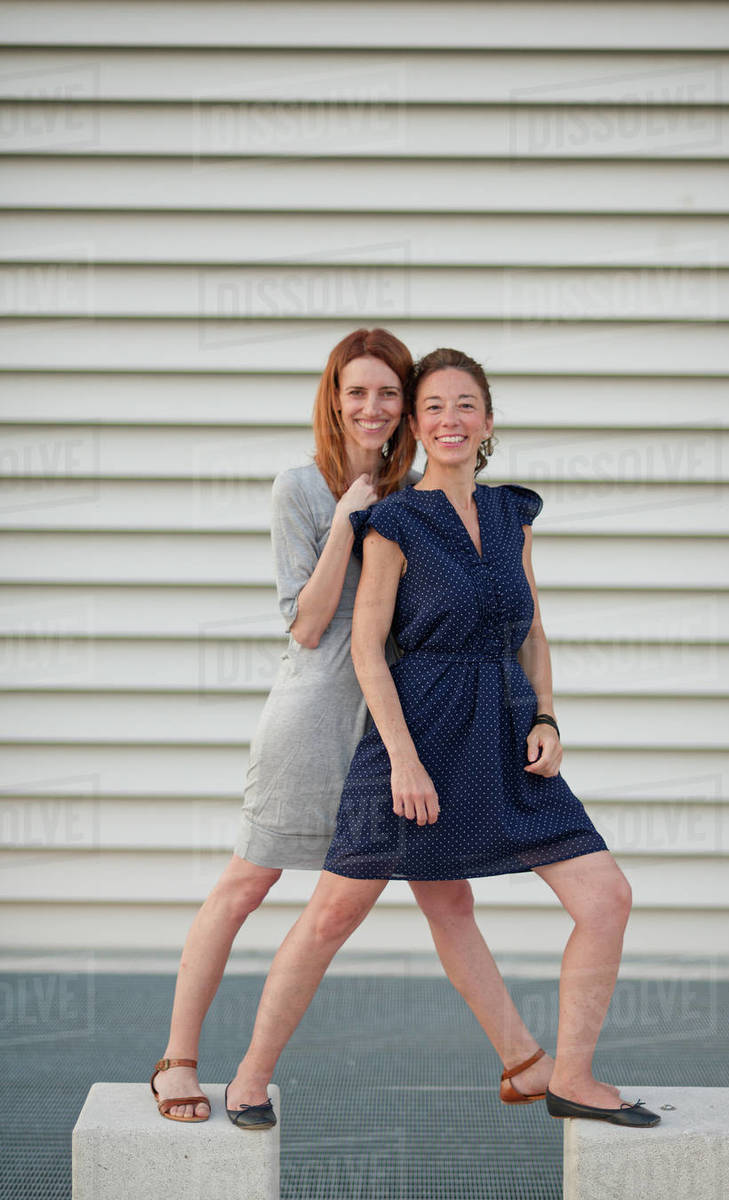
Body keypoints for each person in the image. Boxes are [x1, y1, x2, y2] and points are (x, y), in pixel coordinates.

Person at [223, 346, 659, 1130]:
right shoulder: (391, 520)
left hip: (503, 730)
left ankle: (570, 1076)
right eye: (433, 408)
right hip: (415, 735)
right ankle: (249, 1079)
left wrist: (548, 715)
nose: (449, 420)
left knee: (606, 898)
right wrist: (401, 759)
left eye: (464, 405)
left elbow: (533, 630)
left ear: (487, 421)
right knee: (332, 914)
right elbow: (364, 646)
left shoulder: (511, 514)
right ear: (414, 428)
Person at [150, 331, 560, 1127]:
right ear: (333, 400)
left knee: (447, 898)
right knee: (248, 882)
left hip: (405, 727)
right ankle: (180, 1058)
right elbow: (304, 627)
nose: (373, 408)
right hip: (316, 718)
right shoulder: (299, 488)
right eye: (356, 392)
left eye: (388, 394)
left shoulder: (426, 490)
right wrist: (347, 520)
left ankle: (524, 1061)